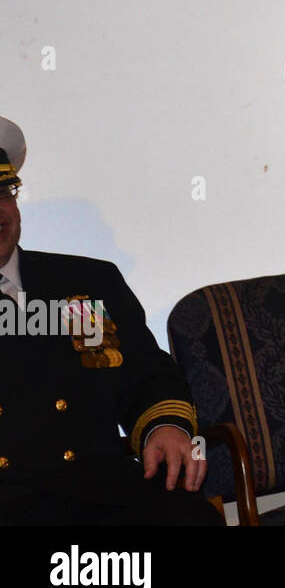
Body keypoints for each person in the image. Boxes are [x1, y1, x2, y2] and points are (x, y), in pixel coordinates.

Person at [0, 117, 218, 526]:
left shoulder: (78, 289)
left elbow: (137, 374)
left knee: (190, 518)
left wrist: (164, 427)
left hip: (95, 494)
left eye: (2, 193)